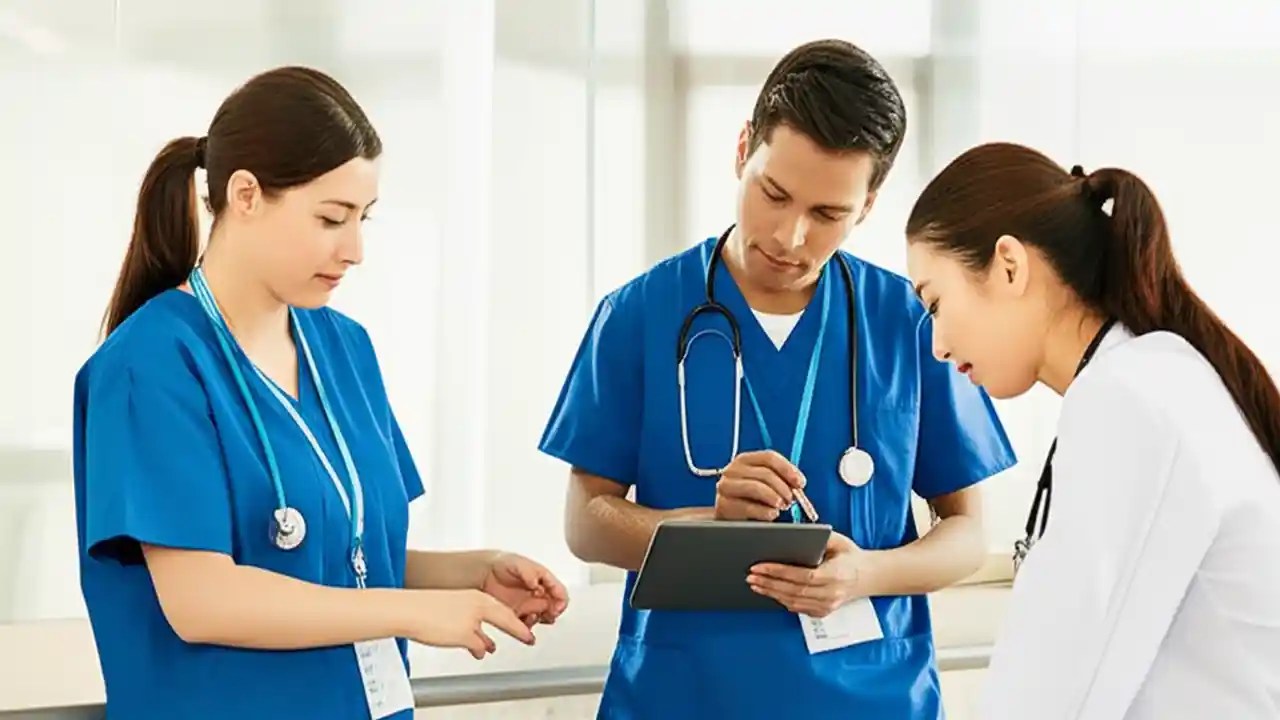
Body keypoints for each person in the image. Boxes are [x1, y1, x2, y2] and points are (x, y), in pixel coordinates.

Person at [72, 66, 569, 720]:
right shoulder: (149, 367)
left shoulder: (345, 350)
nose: (356, 248)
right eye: (332, 218)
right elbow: (203, 600)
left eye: (364, 218)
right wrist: (417, 611)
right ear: (245, 195)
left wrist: (473, 572)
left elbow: (345, 557)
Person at [538, 39, 1017, 718]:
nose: (791, 237)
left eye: (828, 215)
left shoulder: (908, 320)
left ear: (869, 205)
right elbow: (586, 523)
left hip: (870, 697)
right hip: (684, 695)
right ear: (742, 151)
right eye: (774, 194)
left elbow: (966, 531)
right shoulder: (639, 313)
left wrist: (867, 575)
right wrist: (706, 525)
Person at [903, 141, 1280, 719]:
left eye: (934, 303)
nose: (937, 343)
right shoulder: (1142, 380)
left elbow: (1056, 689)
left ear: (1009, 266)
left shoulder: (1131, 397)